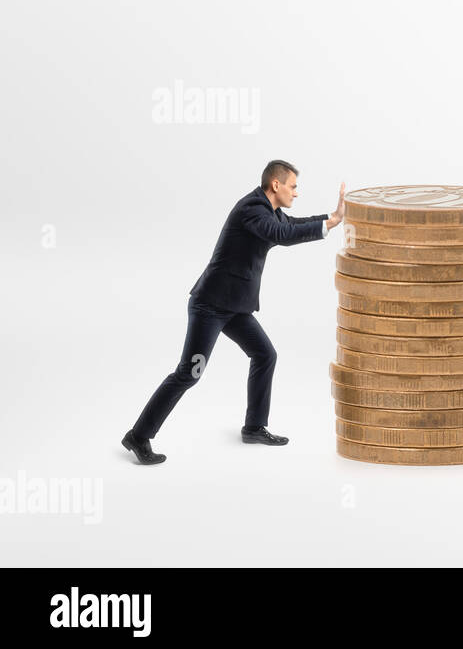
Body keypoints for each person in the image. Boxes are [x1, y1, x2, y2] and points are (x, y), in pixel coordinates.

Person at [122, 161, 346, 464]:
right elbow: (280, 234)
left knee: (265, 354)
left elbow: (288, 225)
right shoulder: (252, 209)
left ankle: (254, 427)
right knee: (189, 373)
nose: (297, 192)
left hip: (235, 308)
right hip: (210, 307)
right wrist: (328, 223)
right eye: (293, 186)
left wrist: (330, 219)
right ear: (276, 185)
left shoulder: (271, 210)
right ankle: (138, 436)